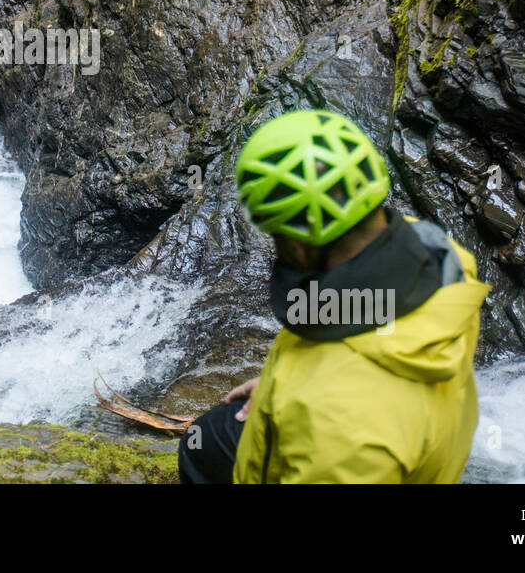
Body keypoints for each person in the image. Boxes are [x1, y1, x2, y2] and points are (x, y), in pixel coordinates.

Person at [178, 109, 490, 483]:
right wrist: (283, 382)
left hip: (353, 437)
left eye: (277, 235)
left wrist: (309, 395)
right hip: (420, 438)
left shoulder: (342, 434)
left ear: (298, 237)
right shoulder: (438, 256)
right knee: (206, 440)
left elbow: (347, 404)